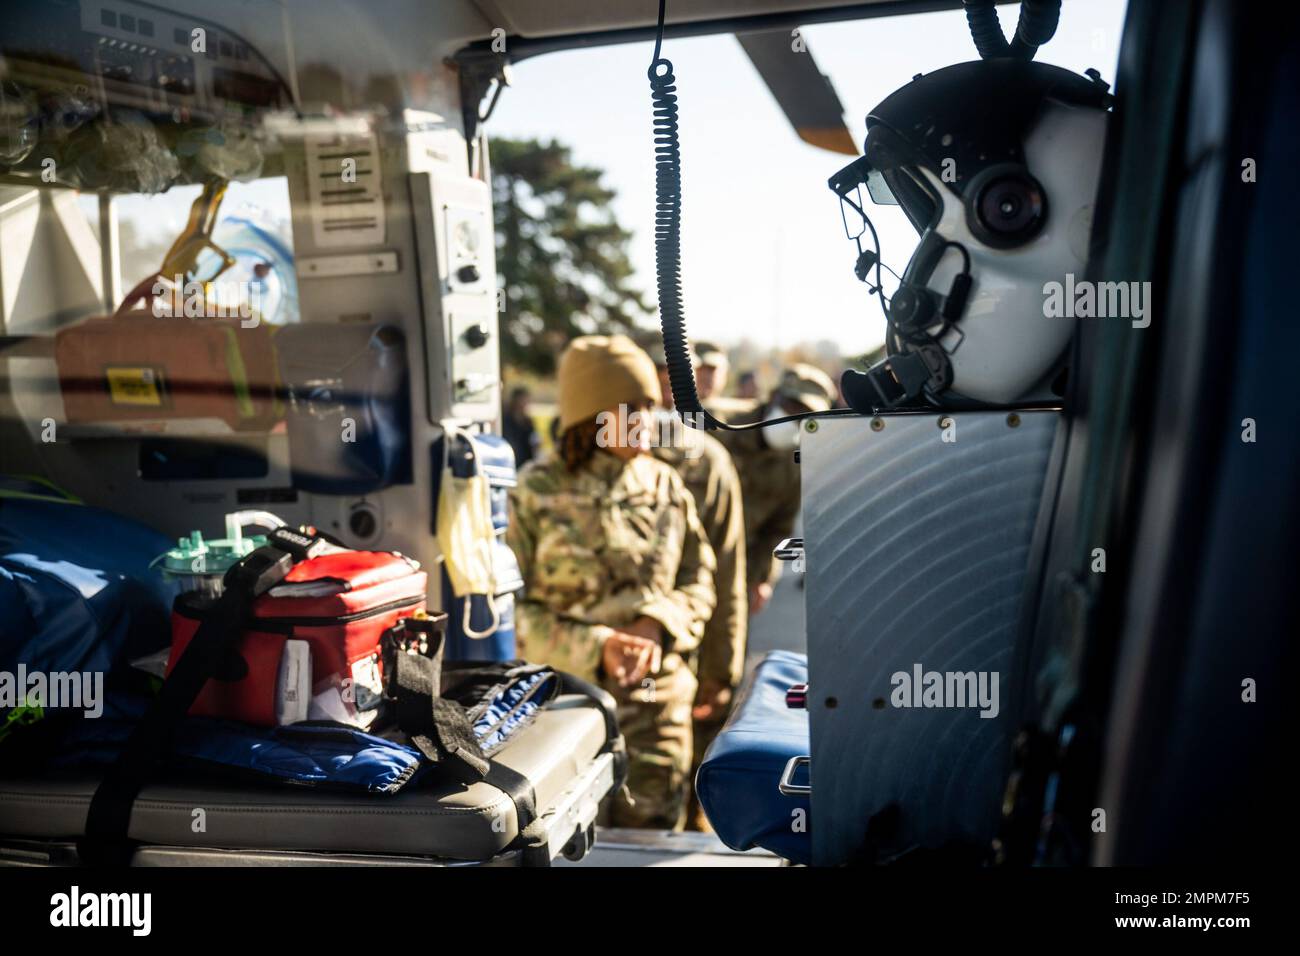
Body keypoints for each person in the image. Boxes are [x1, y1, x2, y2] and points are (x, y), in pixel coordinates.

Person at [507, 335, 716, 830]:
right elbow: (508, 609)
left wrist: (656, 624)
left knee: (650, 839)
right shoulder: (534, 491)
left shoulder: (666, 486)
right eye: (630, 408)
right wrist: (594, 645)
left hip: (656, 708)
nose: (646, 419)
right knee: (568, 843)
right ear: (589, 414)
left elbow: (699, 578)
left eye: (649, 405)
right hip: (563, 709)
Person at [649, 347, 748, 831]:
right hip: (605, 660)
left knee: (691, 766)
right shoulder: (595, 451)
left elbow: (729, 574)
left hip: (686, 649)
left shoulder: (709, 461)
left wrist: (721, 669)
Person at [714, 363, 836, 615]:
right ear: (774, 397)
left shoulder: (792, 465)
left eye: (805, 415)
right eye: (792, 407)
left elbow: (778, 529)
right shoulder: (719, 425)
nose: (794, 419)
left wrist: (762, 579)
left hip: (738, 571)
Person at [500, 385, 539, 468]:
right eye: (523, 399)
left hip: (526, 462)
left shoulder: (528, 421)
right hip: (512, 460)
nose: (526, 402)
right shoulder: (507, 419)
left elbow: (533, 439)